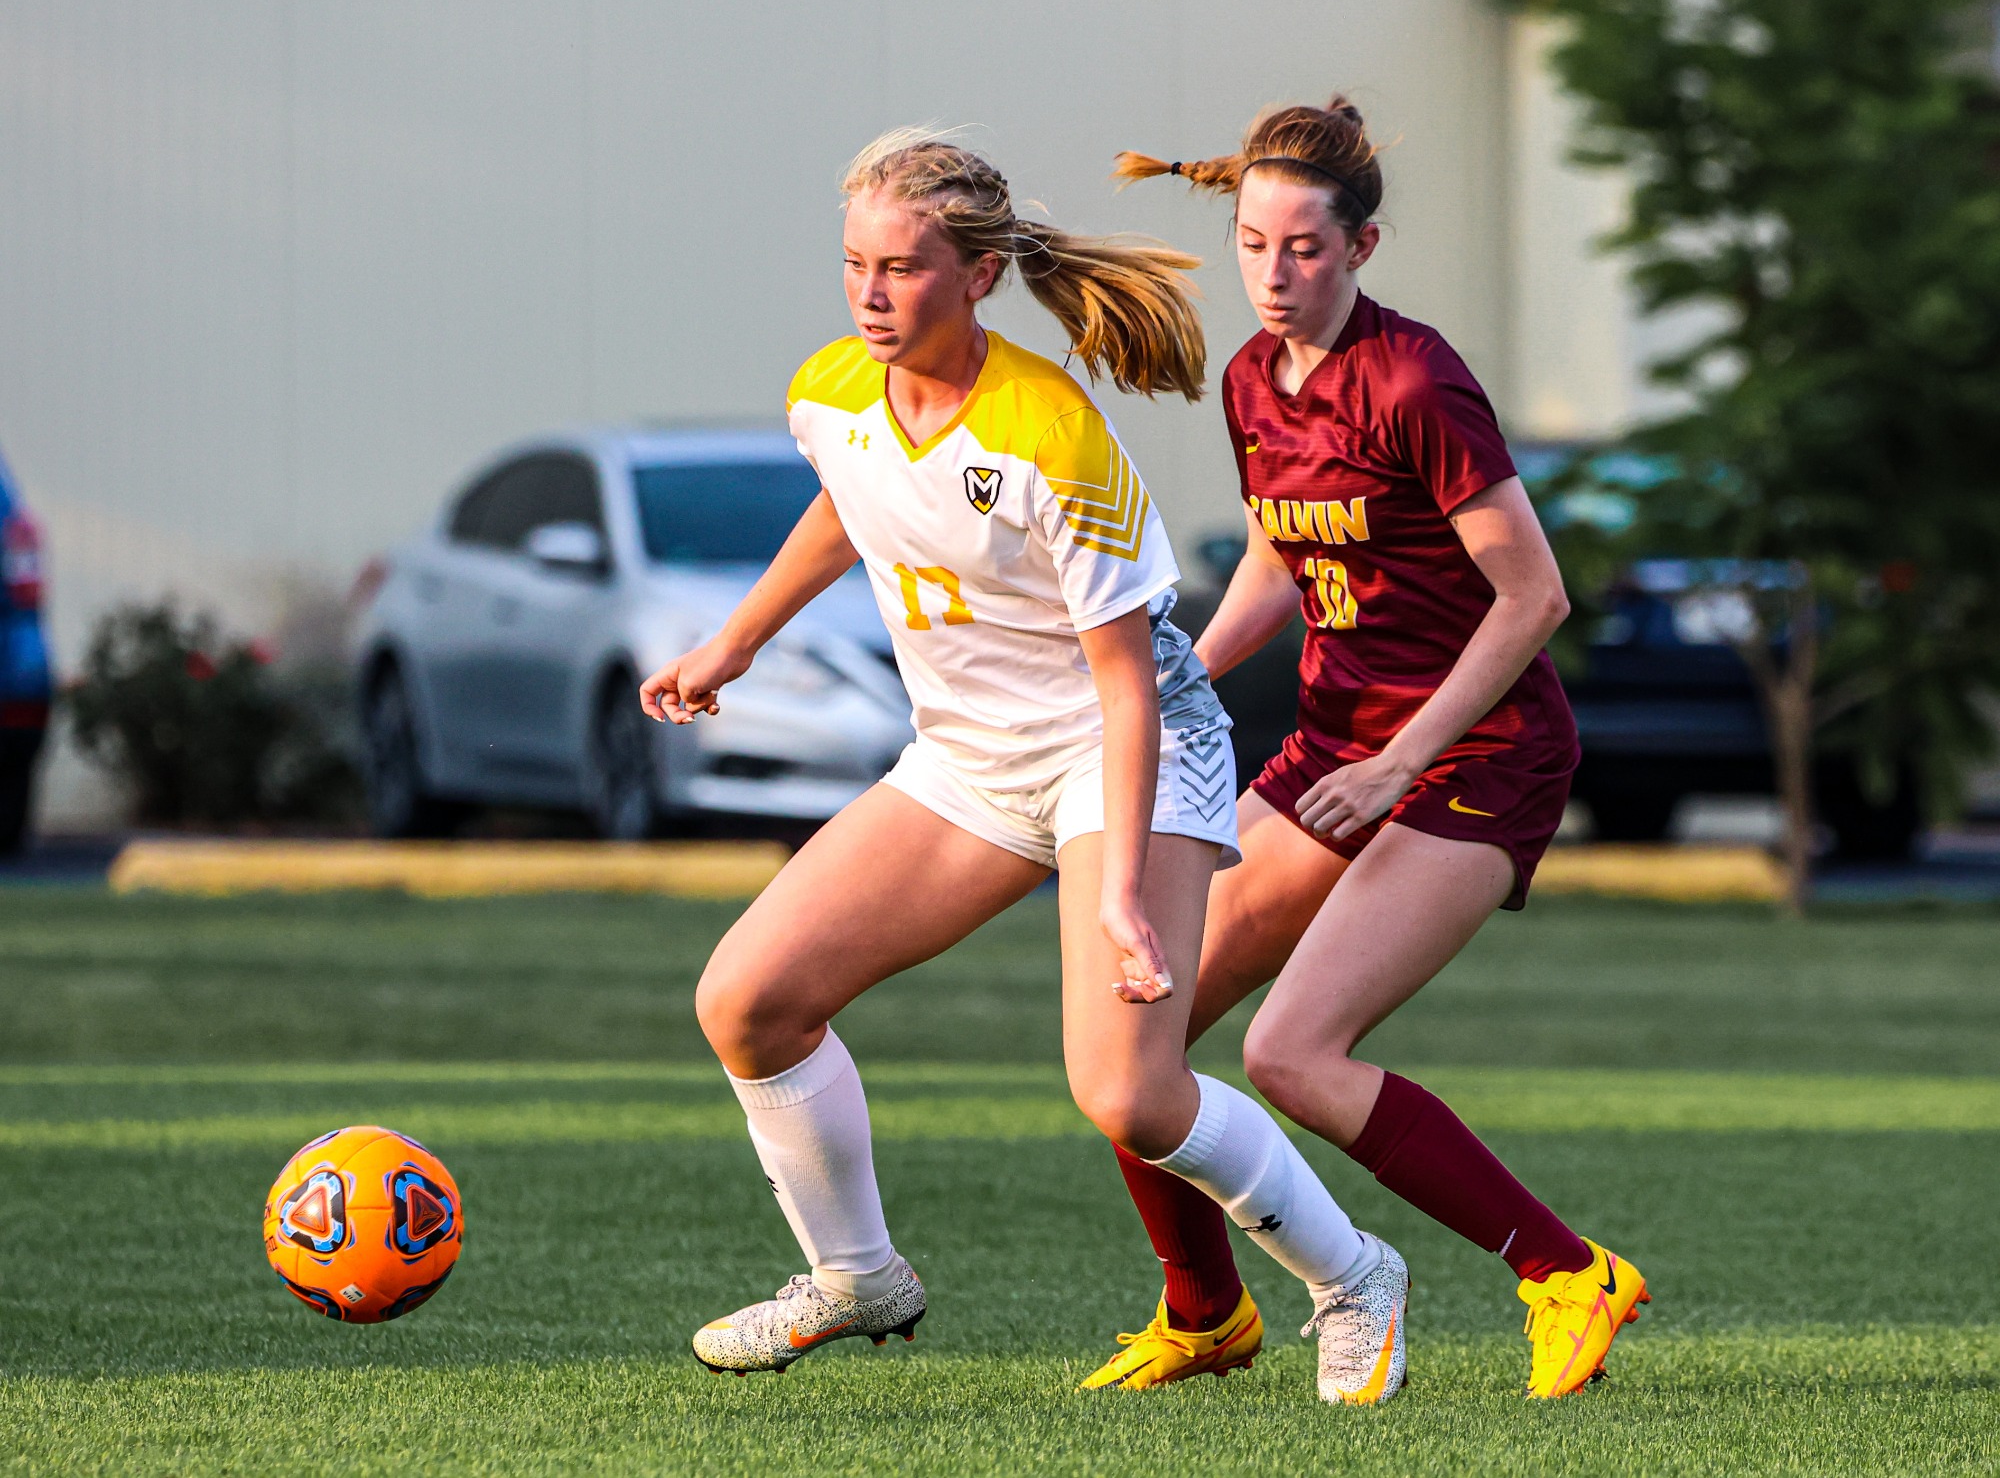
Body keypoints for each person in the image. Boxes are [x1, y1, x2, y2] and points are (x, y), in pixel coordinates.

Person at [638, 129, 1410, 1405]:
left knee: (1127, 1091)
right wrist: (732, 641)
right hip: (967, 762)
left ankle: (1353, 1275)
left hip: (1123, 753)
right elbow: (852, 496)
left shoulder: (1049, 429)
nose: (872, 295)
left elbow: (1125, 680)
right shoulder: (831, 389)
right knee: (748, 1000)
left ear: (978, 275)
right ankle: (855, 1276)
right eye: (854, 265)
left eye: (903, 269)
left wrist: (1110, 892)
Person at [1078, 96, 1650, 1402]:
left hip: (1479, 753)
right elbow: (1284, 554)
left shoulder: (1414, 379)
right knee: (1137, 1033)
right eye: (1255, 246)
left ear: (1364, 248)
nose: (1275, 275)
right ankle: (1206, 1313)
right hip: (1340, 744)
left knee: (1292, 1055)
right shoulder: (1247, 381)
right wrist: (1175, 674)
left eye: (1307, 250)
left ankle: (1569, 1273)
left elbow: (1534, 600)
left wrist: (1404, 765)